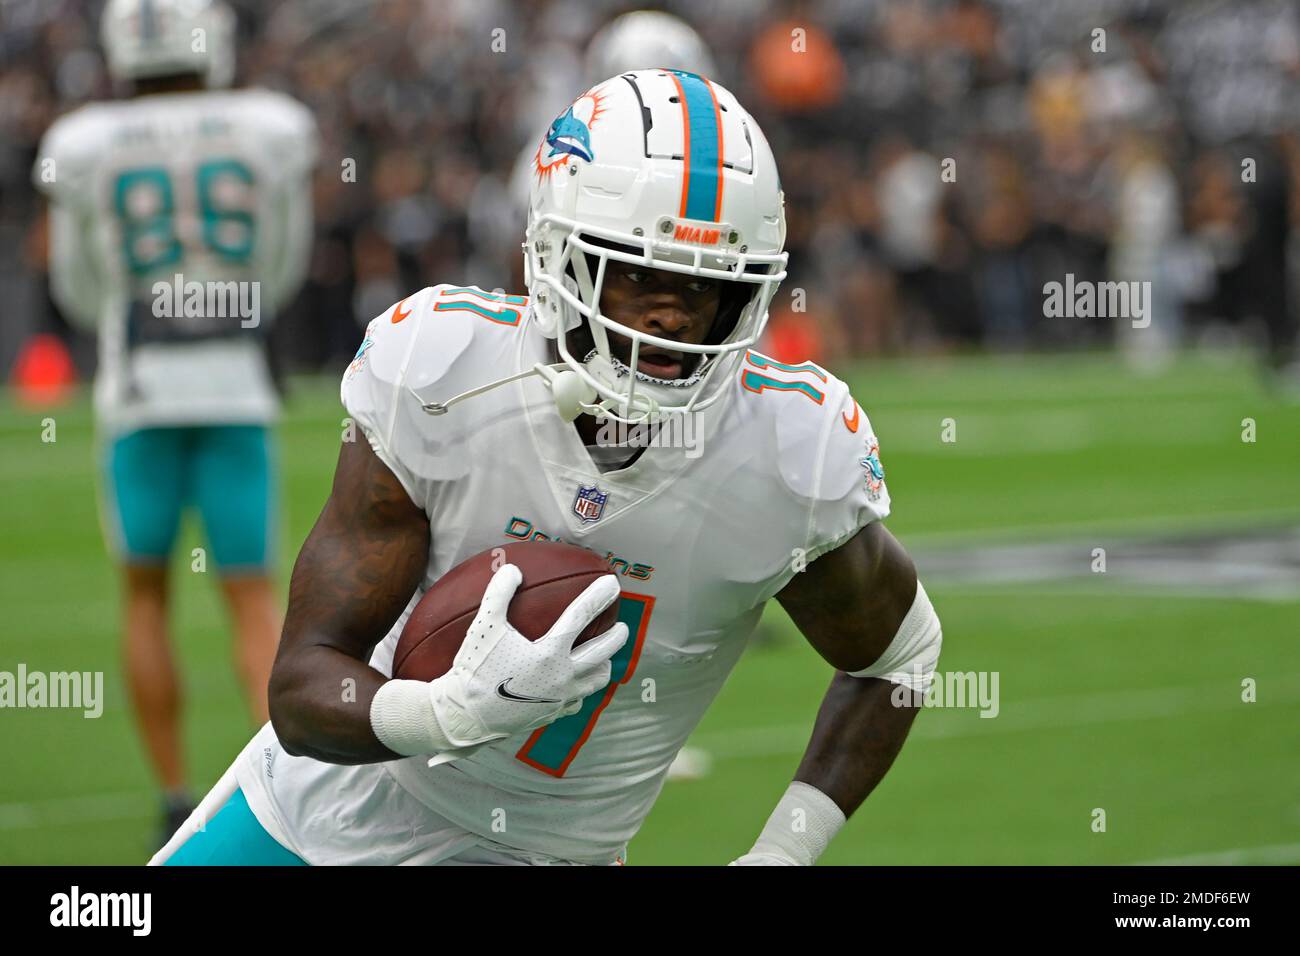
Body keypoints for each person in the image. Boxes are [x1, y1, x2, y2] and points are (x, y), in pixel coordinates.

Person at [152, 68, 941, 866]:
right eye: (637, 275)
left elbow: (899, 659)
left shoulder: (788, 452)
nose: (673, 315)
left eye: (706, 288)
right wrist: (444, 714)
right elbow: (300, 692)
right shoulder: (443, 373)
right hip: (320, 813)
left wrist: (781, 854)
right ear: (558, 260)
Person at [33, 0, 317, 840]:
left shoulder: (85, 142)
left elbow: (80, 286)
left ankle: (170, 797)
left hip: (140, 390)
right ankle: (287, 797)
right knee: (253, 596)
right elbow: (283, 261)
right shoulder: (266, 125)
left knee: (145, 595)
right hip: (233, 384)